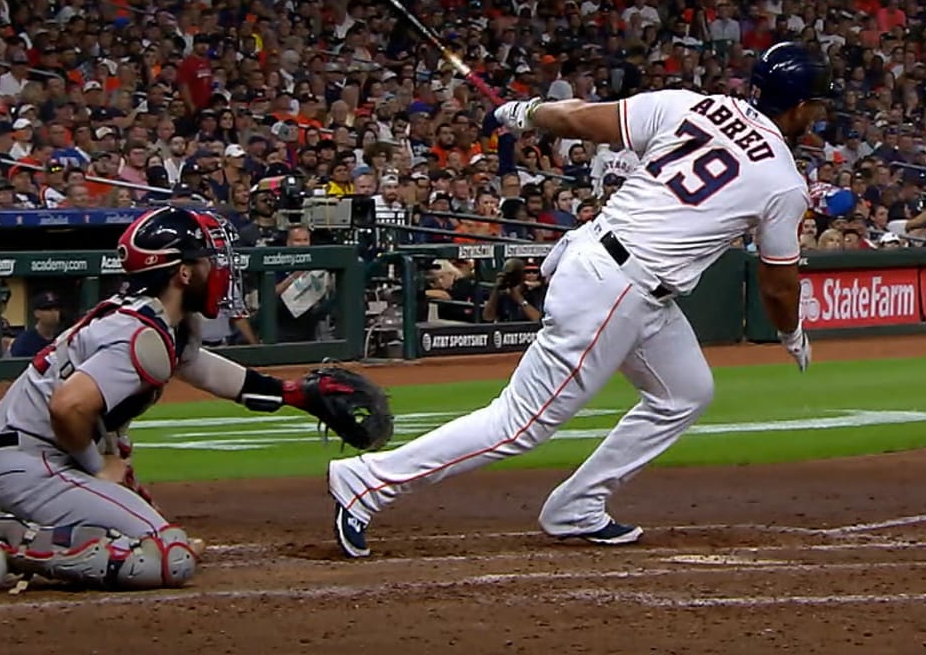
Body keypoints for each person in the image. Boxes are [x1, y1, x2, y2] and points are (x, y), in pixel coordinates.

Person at [326, 42, 825, 557]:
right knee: (520, 422)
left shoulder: (688, 104)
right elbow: (777, 282)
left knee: (685, 393)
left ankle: (578, 506)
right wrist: (790, 331)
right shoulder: (783, 180)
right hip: (616, 288)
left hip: (617, 271)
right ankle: (367, 481)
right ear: (799, 105)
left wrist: (526, 112)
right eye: (816, 104)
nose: (817, 113)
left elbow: (582, 119)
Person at [0, 207, 389, 592]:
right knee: (169, 557)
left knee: (148, 529)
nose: (217, 268)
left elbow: (206, 370)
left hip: (18, 458)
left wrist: (294, 394)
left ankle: (28, 531)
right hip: (27, 466)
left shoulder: (159, 323)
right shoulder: (139, 335)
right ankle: (9, 539)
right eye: (206, 259)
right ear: (183, 273)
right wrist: (99, 468)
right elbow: (68, 406)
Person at [481, 258, 546, 323]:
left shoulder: (537, 293)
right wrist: (496, 290)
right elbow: (488, 317)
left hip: (530, 331)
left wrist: (520, 300)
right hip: (507, 330)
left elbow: (539, 320)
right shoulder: (503, 295)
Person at [8, 291, 65, 358]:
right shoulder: (24, 342)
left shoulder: (63, 338)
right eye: (48, 309)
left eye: (56, 309)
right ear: (36, 313)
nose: (53, 313)